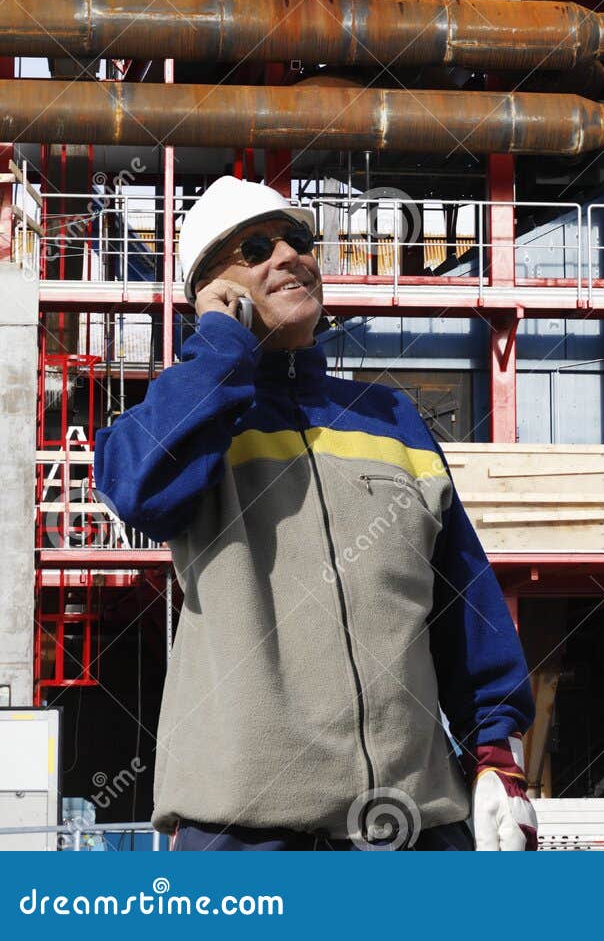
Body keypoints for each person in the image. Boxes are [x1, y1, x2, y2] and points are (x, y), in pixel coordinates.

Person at [93, 175, 538, 852]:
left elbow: (460, 600)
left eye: (297, 240)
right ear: (213, 291)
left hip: (415, 826)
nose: (289, 256)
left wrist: (497, 761)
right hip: (246, 838)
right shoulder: (195, 418)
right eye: (255, 247)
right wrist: (219, 348)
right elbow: (138, 489)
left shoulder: (391, 418)